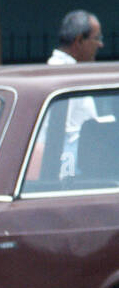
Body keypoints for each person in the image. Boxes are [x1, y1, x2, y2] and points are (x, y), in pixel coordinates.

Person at [47, 10, 104, 178]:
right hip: (69, 171)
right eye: (97, 38)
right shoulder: (66, 77)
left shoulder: (65, 72)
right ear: (79, 40)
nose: (100, 44)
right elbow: (64, 134)